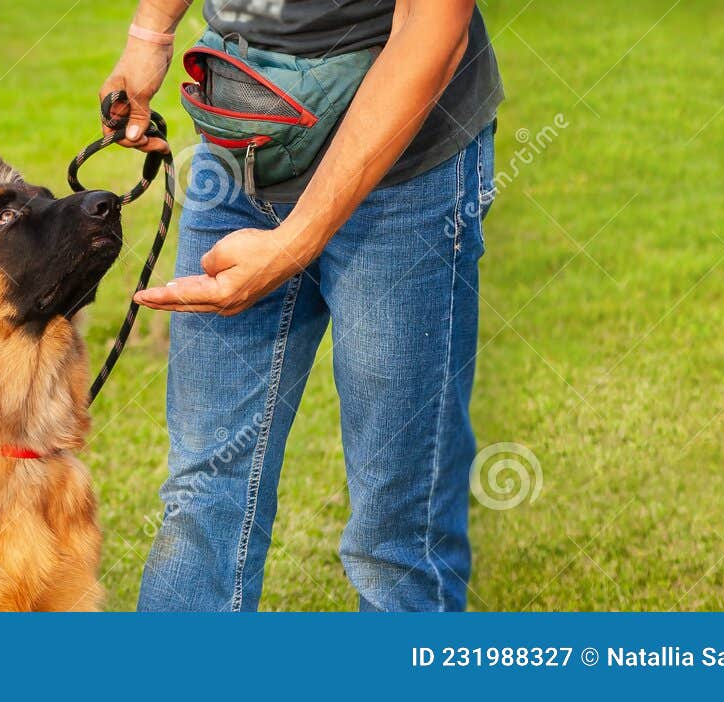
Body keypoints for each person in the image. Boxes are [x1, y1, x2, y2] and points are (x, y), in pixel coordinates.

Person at [101, 0, 503, 611]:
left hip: (405, 173)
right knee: (203, 494)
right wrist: (149, 33)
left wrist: (294, 241)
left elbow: (433, 27)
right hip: (243, 144)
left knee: (395, 536)